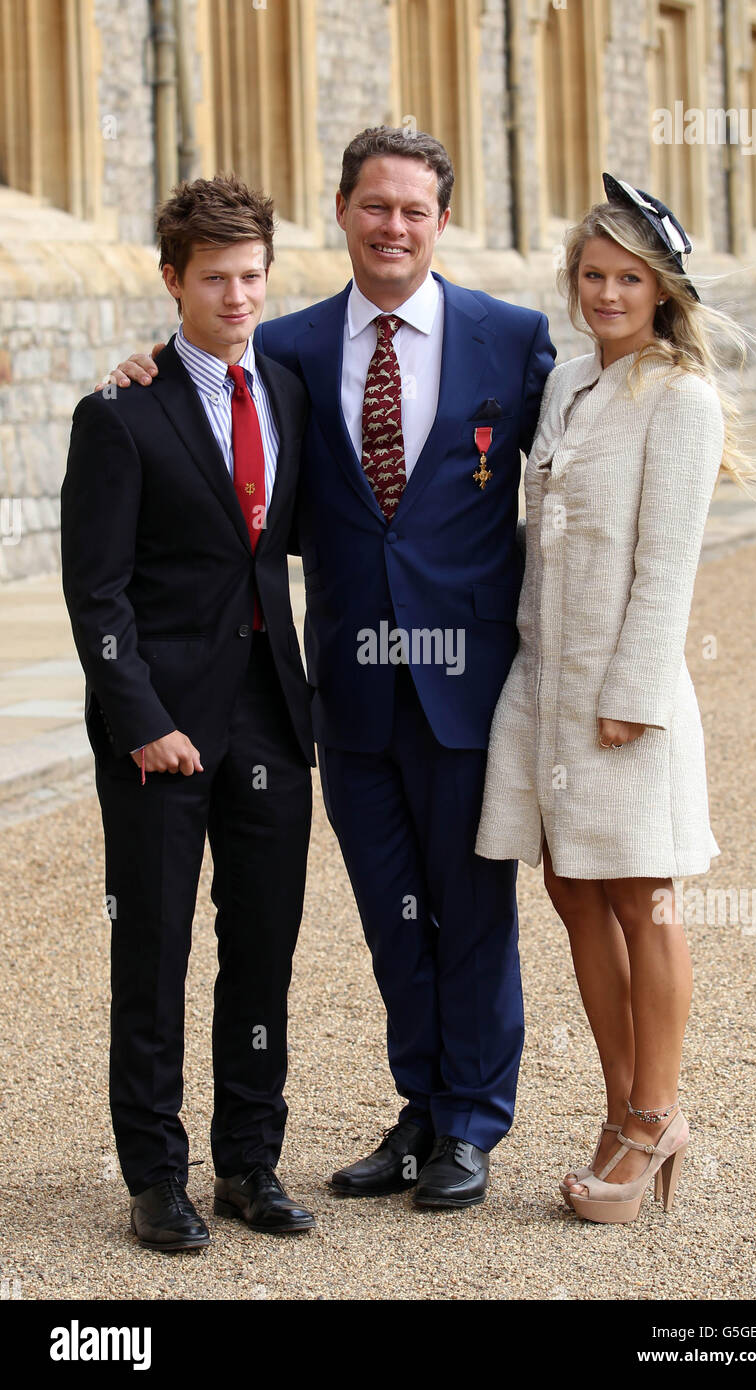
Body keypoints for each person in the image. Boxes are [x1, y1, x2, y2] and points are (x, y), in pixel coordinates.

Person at [103, 127, 556, 1209]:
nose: (393, 226)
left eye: (414, 209)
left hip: (467, 680)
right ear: (341, 211)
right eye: (374, 206)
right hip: (344, 688)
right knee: (391, 910)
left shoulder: (516, 339)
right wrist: (137, 367)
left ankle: (471, 1123)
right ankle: (418, 1108)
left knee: (472, 908)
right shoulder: (293, 348)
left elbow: (585, 438)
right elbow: (207, 406)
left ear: (442, 220)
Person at [476, 174, 756, 1222]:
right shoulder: (568, 384)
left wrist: (632, 693)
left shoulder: (679, 398)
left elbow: (667, 563)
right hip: (543, 683)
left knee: (642, 895)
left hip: (620, 694)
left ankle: (655, 1118)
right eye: (592, 275)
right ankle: (617, 1107)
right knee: (570, 889)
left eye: (625, 278)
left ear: (660, 289)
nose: (605, 292)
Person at [62, 175, 317, 1250]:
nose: (237, 297)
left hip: (269, 714)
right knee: (154, 951)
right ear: (172, 281)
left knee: (262, 947)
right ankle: (156, 1176)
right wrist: (139, 719)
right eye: (214, 279)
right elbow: (97, 590)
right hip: (159, 727)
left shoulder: (291, 393)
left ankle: (248, 1163)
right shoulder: (119, 411)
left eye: (252, 276)